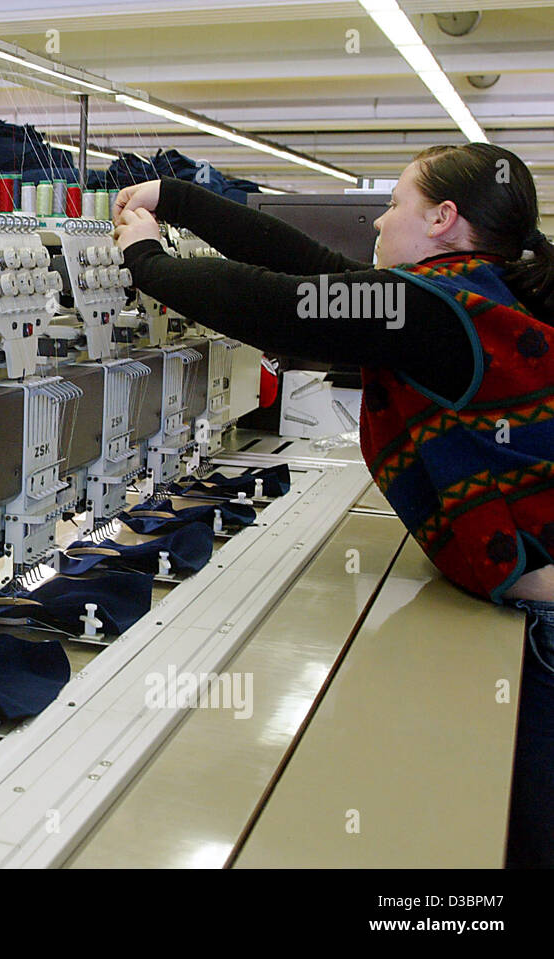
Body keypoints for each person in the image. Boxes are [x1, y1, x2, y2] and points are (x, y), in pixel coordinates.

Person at [112, 143, 554, 868]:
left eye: (395, 203)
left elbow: (282, 307)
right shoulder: (468, 294)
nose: (379, 220)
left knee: (521, 844)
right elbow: (313, 267)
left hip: (543, 633)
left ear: (444, 219)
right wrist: (176, 199)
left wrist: (147, 261)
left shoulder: (439, 309)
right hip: (530, 613)